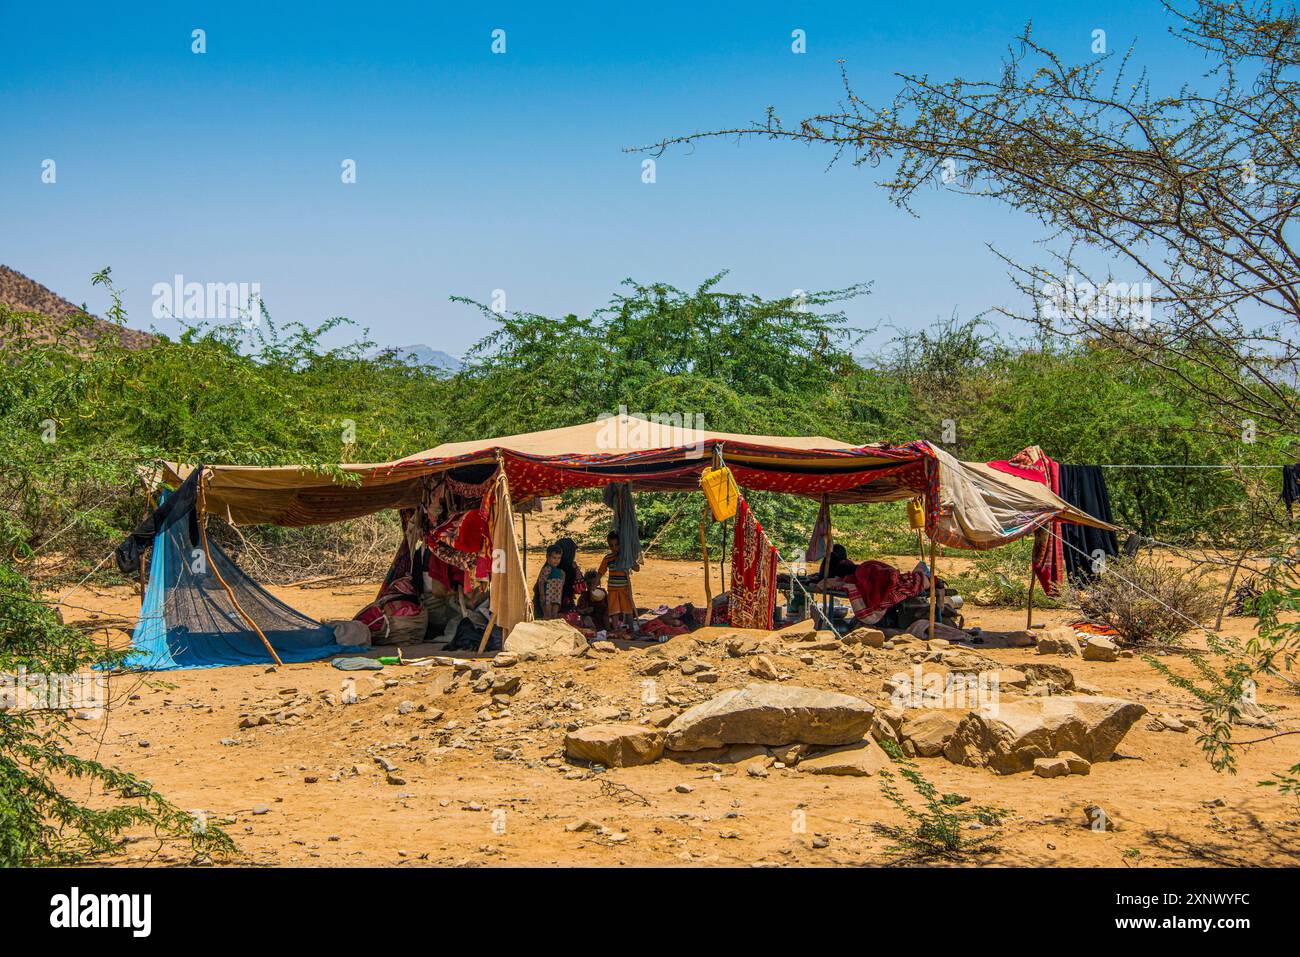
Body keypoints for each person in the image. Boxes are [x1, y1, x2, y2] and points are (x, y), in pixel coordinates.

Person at [597, 530, 639, 631]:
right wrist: (596, 582)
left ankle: (631, 627)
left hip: (624, 588)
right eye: (611, 546)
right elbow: (601, 571)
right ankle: (616, 629)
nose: (614, 548)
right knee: (614, 610)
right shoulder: (608, 558)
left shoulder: (626, 557)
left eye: (617, 545)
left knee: (628, 608)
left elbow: (637, 568)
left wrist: (631, 562)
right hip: (612, 588)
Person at [535, 545, 567, 619]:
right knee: (547, 615)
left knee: (554, 616)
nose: (556, 560)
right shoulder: (547, 569)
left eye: (559, 558)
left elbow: (561, 585)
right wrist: (542, 595)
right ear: (548, 557)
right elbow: (541, 582)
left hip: (556, 597)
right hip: (547, 597)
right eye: (554, 558)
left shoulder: (561, 572)